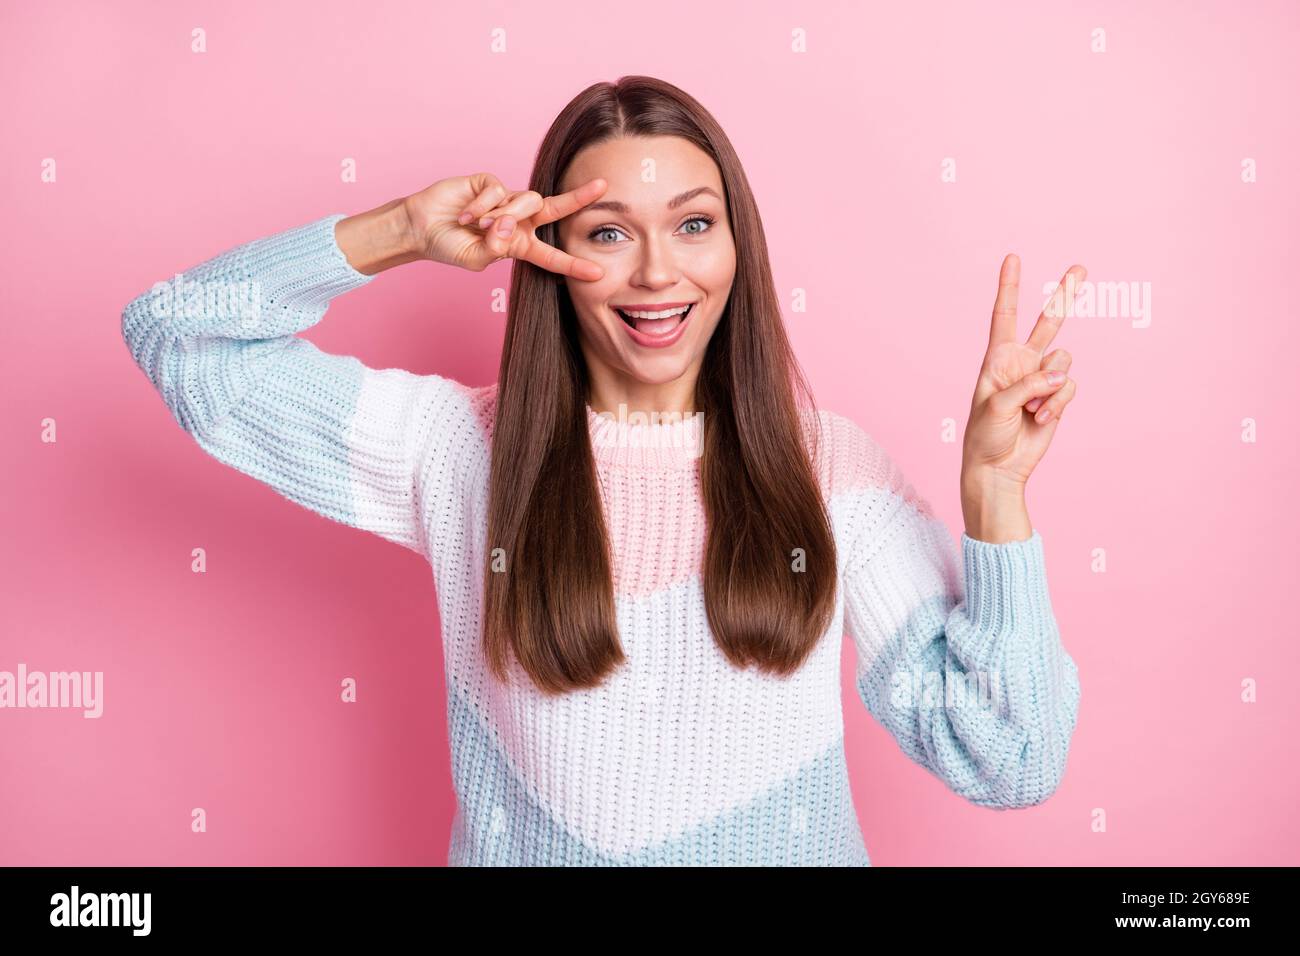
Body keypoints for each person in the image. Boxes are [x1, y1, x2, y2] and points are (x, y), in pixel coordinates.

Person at [120, 75, 1081, 866]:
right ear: (549, 255)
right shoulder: (457, 452)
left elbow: (1013, 758)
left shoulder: (829, 471)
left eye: (694, 224)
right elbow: (179, 335)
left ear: (740, 250)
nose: (659, 273)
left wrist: (995, 497)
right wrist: (403, 232)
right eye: (609, 233)